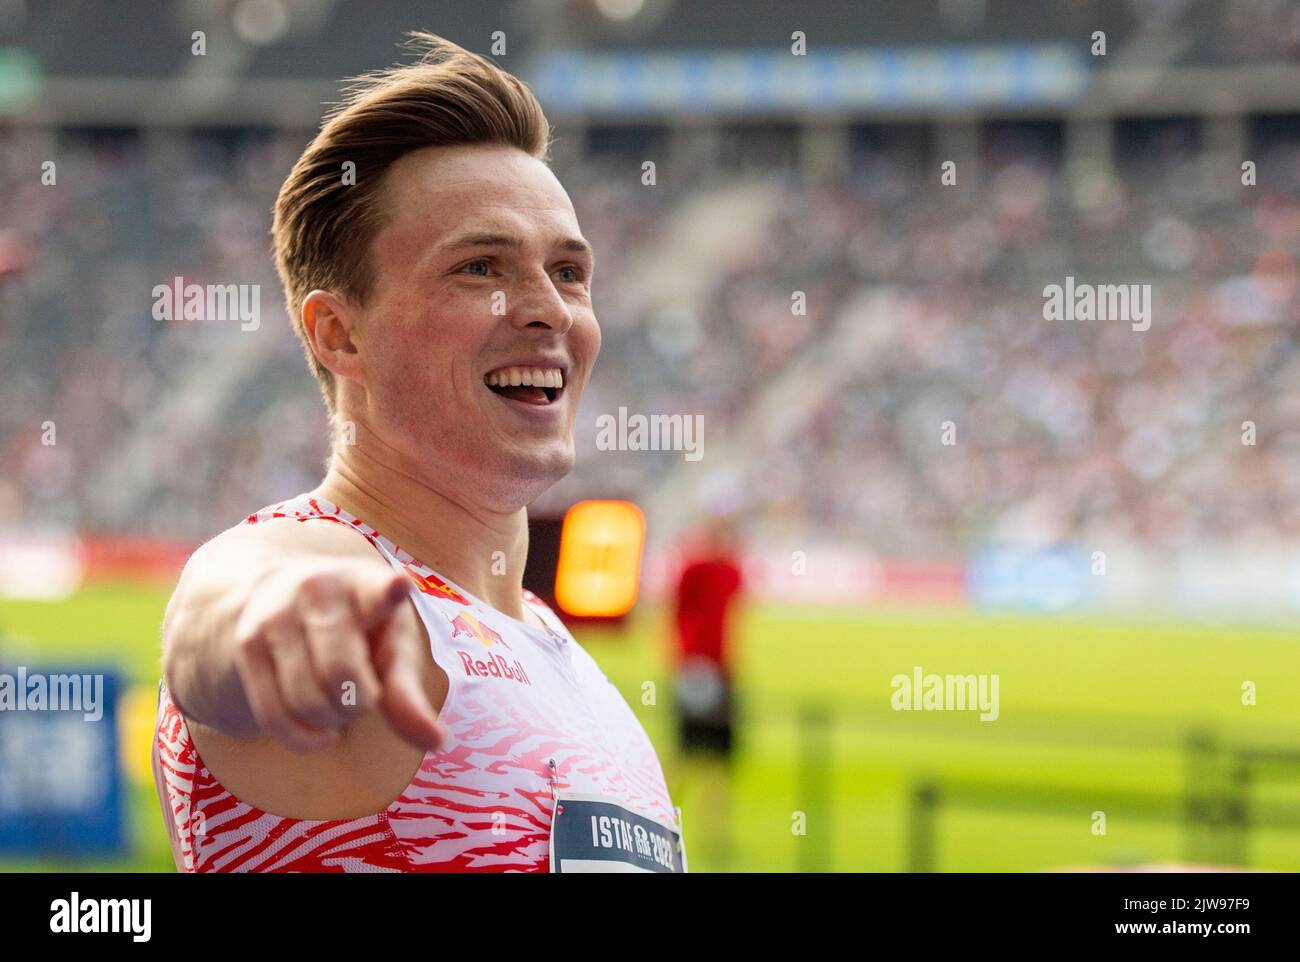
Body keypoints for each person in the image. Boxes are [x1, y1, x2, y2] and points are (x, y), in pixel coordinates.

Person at [151, 33, 682, 873]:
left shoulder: (562, 658)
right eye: (481, 267)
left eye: (571, 272)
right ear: (339, 333)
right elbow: (233, 603)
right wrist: (267, 624)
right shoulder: (325, 571)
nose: (550, 310)